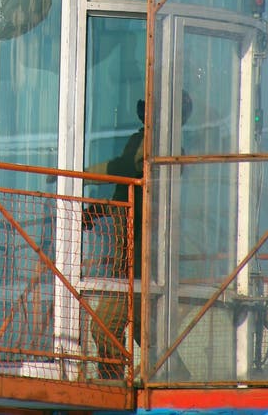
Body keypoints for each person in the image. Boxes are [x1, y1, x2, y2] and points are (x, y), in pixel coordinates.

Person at [84, 93, 192, 380]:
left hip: (141, 263)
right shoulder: (147, 141)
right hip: (129, 263)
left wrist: (80, 174)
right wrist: (97, 210)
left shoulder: (165, 146)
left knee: (125, 331)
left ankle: (128, 383)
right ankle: (127, 381)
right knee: (135, 335)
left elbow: (128, 170)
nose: (147, 117)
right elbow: (126, 192)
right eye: (147, 111)